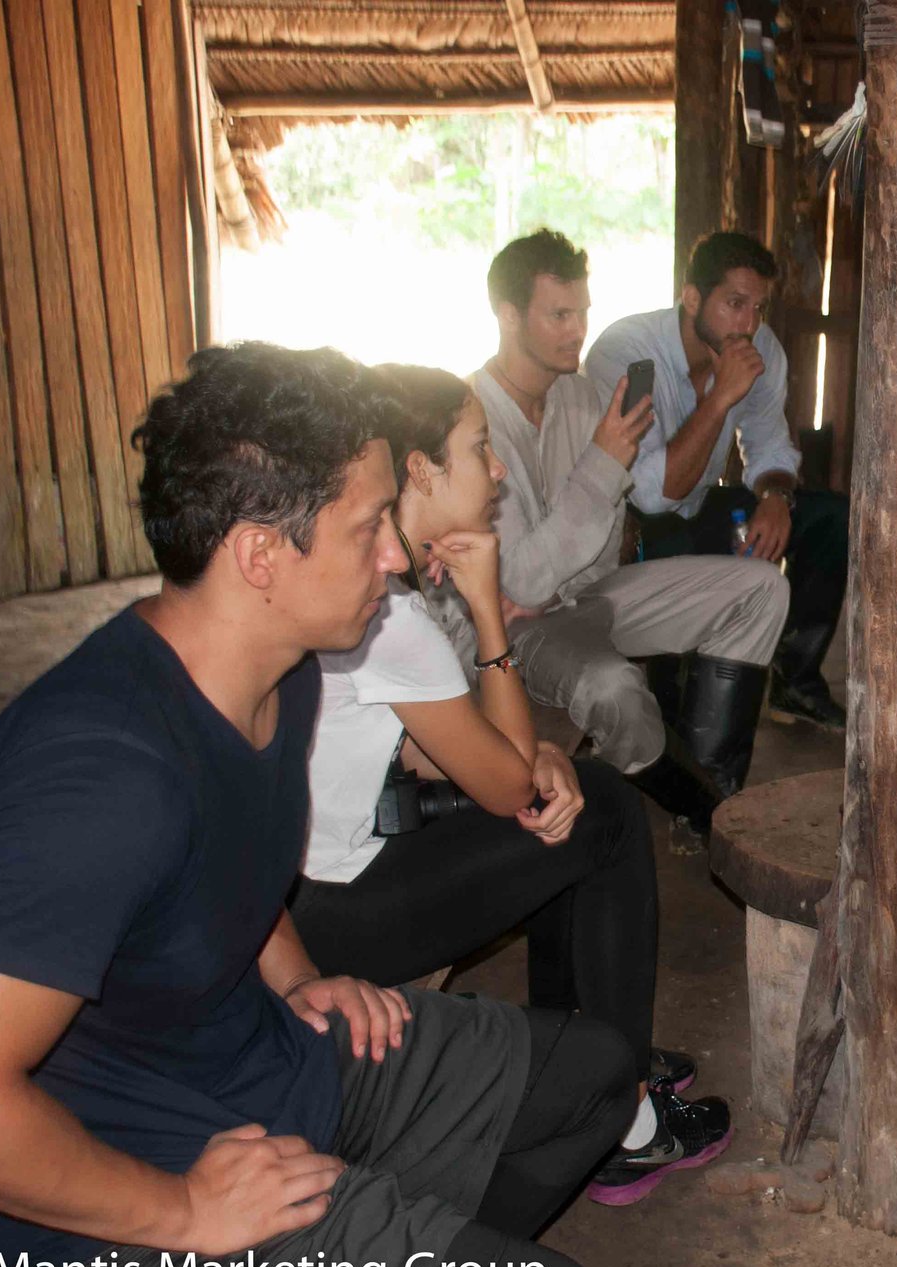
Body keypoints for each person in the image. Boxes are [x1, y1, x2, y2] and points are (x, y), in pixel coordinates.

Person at [0, 344, 633, 1267]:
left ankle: (384, 1242)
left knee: (595, 1077)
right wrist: (184, 1213)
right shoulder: (100, 776)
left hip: (253, 1060)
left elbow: (217, 863)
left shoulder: (278, 672)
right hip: (124, 1176)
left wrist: (295, 976)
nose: (396, 555)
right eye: (368, 527)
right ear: (258, 553)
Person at [289, 363, 733, 1208]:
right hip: (331, 918)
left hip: (317, 877)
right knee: (599, 813)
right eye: (476, 448)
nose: (494, 471)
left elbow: (455, 751)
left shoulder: (366, 584)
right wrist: (491, 612)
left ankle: (584, 1058)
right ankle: (626, 1116)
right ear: (417, 471)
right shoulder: (392, 613)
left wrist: (536, 761)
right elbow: (501, 782)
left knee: (564, 807)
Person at [446, 228, 788, 834]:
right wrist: (602, 464)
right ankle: (697, 809)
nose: (577, 331)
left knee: (762, 587)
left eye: (581, 312)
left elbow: (600, 550)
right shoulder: (470, 418)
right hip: (509, 633)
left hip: (584, 597)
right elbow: (522, 580)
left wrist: (550, 571)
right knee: (615, 686)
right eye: (558, 314)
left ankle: (716, 784)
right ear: (507, 315)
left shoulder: (581, 398)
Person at [588, 230, 850, 731]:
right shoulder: (629, 355)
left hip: (699, 506)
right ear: (692, 298)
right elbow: (652, 494)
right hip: (635, 528)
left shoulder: (760, 347)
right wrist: (718, 396)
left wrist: (775, 496)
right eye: (734, 303)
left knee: (829, 518)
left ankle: (795, 681)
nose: (749, 324)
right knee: (669, 712)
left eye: (759, 307)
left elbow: (770, 444)